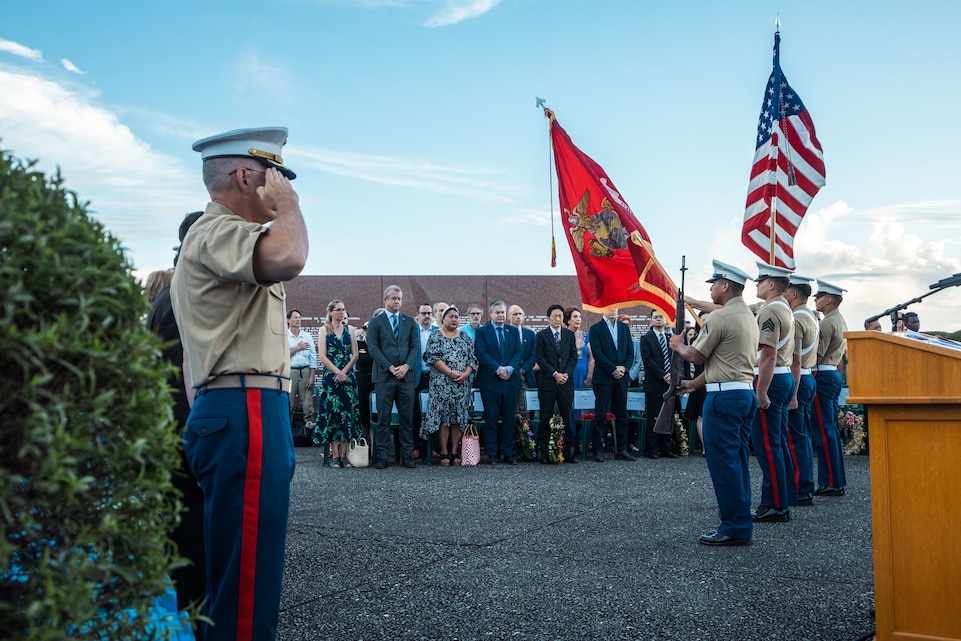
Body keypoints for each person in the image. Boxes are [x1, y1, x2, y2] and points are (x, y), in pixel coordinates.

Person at [170, 126, 306, 641]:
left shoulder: (217, 239)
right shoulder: (218, 230)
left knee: (229, 572)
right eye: (277, 175)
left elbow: (190, 359)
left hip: (230, 407)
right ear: (247, 176)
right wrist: (289, 206)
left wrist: (209, 406)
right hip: (244, 407)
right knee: (246, 583)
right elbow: (290, 257)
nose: (283, 186)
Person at [670, 260, 758, 546]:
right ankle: (739, 520)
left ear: (725, 286)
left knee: (724, 464)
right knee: (738, 462)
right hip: (743, 393)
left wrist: (678, 346)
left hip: (723, 398)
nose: (710, 289)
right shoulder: (747, 315)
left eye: (713, 284)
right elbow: (725, 361)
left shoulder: (719, 318)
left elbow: (696, 355)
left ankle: (734, 526)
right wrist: (694, 385)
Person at [145, 211, 205, 614]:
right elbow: (187, 362)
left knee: (181, 510)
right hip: (185, 418)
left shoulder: (163, 298)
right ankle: (194, 603)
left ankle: (185, 593)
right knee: (193, 515)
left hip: (165, 418)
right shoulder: (187, 292)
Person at [750, 262, 796, 523]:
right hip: (783, 376)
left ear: (770, 284)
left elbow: (768, 354)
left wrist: (762, 392)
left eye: (759, 281)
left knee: (768, 446)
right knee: (776, 443)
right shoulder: (783, 307)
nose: (756, 285)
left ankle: (775, 504)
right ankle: (783, 498)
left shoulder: (770, 312)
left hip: (771, 378)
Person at [366, 286, 420, 469]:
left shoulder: (410, 322)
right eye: (393, 298)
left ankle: (407, 456)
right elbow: (373, 348)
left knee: (407, 419)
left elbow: (415, 348)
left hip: (406, 377)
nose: (397, 302)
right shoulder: (376, 322)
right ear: (385, 300)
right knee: (383, 419)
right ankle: (382, 456)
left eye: (399, 298)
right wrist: (389, 367)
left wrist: (406, 366)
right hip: (384, 377)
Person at [422, 306, 477, 465]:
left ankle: (455, 451)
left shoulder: (465, 337)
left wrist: (465, 374)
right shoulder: (435, 336)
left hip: (461, 385)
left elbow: (472, 360)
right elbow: (433, 358)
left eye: (456, 317)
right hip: (442, 384)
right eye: (451, 316)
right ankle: (444, 452)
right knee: (444, 418)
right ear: (443, 319)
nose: (454, 319)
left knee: (458, 418)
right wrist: (450, 373)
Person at [474, 300, 524, 464]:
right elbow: (481, 353)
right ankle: (492, 454)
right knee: (491, 419)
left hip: (510, 381)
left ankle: (508, 453)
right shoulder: (482, 332)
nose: (501, 315)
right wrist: (498, 369)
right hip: (490, 381)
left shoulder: (513, 331)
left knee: (509, 418)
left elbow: (518, 353)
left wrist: (509, 369)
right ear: (490, 314)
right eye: (498, 312)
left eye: (503, 312)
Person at [314, 300, 362, 467]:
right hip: (331, 376)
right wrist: (337, 372)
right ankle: (335, 455)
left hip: (348, 377)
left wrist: (345, 372)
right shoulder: (323, 330)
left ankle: (345, 455)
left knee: (348, 414)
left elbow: (355, 355)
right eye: (339, 310)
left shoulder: (351, 329)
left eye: (344, 310)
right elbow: (322, 356)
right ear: (331, 312)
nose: (342, 312)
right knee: (333, 414)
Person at [812, 279, 849, 496]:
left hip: (823, 375)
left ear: (828, 300)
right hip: (831, 373)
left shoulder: (827, 323)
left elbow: (816, 355)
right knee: (829, 429)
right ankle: (835, 479)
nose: (815, 299)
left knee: (824, 431)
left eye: (819, 296)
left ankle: (831, 482)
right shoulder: (839, 320)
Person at [785, 274, 819, 506]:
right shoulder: (811, 316)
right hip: (808, 377)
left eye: (785, 290)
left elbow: (795, 360)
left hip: (798, 379)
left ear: (794, 293)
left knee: (795, 437)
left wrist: (793, 394)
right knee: (802, 435)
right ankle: (805, 484)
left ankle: (801, 486)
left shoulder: (797, 318)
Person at [588, 307, 637, 462]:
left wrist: (624, 367)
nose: (613, 311)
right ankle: (598, 450)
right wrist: (612, 369)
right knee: (600, 414)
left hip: (622, 377)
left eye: (615, 308)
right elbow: (597, 352)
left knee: (622, 414)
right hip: (604, 377)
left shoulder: (624, 328)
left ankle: (621, 449)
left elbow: (630, 351)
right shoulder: (596, 328)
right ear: (602, 309)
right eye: (609, 308)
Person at [535, 304, 579, 463]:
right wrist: (555, 374)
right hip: (548, 382)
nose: (557, 319)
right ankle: (544, 453)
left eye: (560, 316)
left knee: (567, 416)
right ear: (548, 318)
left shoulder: (569, 335)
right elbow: (540, 357)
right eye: (554, 316)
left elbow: (573, 357)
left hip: (566, 382)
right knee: (545, 416)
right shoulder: (541, 336)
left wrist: (565, 374)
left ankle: (569, 452)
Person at [640, 310, 677, 459]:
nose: (659, 319)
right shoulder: (646, 338)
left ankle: (666, 449)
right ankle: (653, 449)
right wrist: (663, 375)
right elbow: (648, 360)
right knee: (654, 417)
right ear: (651, 321)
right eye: (655, 317)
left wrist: (672, 375)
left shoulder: (671, 338)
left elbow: (675, 358)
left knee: (668, 417)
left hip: (670, 384)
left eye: (661, 317)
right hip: (654, 383)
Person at [287, 309, 317, 428]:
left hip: (305, 372)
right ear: (288, 320)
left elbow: (312, 357)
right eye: (295, 317)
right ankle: (287, 431)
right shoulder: (284, 336)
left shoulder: (307, 336)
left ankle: (310, 432)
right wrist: (297, 348)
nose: (298, 320)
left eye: (299, 317)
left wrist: (311, 376)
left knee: (307, 404)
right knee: (288, 403)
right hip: (290, 372)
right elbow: (281, 354)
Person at [509, 305, 537, 413]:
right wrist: (514, 371)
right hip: (508, 376)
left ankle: (525, 430)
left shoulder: (530, 334)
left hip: (525, 377)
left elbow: (533, 355)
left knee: (524, 409)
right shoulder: (504, 333)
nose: (518, 317)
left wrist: (522, 371)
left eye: (520, 314)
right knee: (510, 409)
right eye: (515, 314)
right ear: (508, 316)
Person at [565, 306, 594, 389]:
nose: (578, 319)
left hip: (584, 376)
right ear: (568, 320)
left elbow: (592, 358)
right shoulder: (563, 336)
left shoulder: (586, 336)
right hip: (568, 375)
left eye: (580, 317)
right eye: (575, 316)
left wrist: (589, 377)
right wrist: (575, 348)